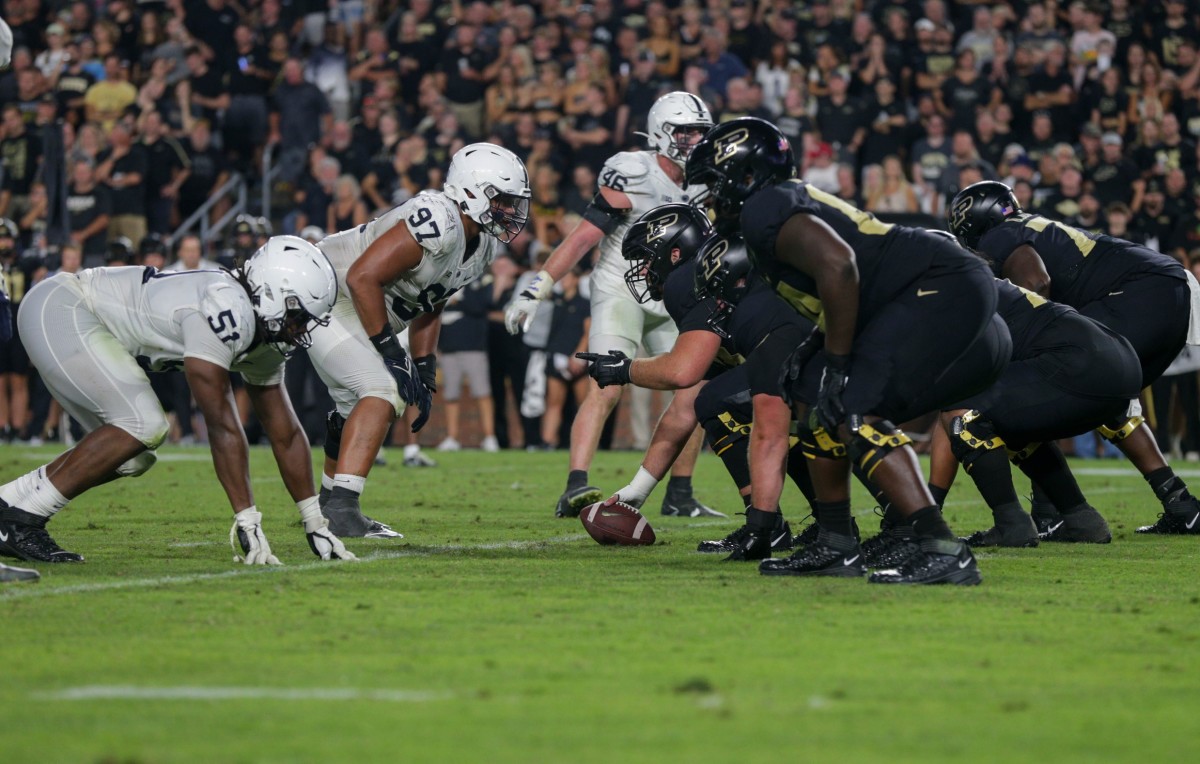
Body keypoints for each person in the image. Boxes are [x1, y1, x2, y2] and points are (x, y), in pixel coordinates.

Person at [685, 118, 1011, 585]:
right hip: (918, 287)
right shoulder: (775, 203)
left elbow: (839, 265)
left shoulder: (764, 209)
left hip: (935, 284)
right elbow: (835, 280)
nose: (711, 197)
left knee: (856, 405)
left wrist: (838, 362)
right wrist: (820, 348)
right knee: (810, 394)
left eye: (715, 185)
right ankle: (836, 543)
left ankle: (941, 546)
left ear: (746, 175)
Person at [0, 237, 353, 566]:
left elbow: (285, 433)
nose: (300, 328)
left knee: (135, 457)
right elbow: (222, 424)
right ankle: (22, 521)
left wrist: (314, 521)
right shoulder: (225, 308)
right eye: (298, 316)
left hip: (79, 319)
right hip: (65, 307)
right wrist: (247, 518)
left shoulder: (262, 332)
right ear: (274, 293)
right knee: (144, 424)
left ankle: (10, 502)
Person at [505, 91, 720, 520]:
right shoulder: (632, 172)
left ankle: (680, 493)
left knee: (693, 389)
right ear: (661, 132)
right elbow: (585, 236)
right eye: (685, 131)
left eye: (700, 130)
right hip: (621, 286)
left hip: (676, 293)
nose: (695, 139)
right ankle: (575, 485)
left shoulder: (710, 178)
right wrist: (540, 285)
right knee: (607, 383)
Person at [949, 180, 1200, 536]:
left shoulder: (1000, 236)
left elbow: (1036, 283)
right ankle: (1180, 504)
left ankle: (1050, 511)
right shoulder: (1029, 226)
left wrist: (1032, 336)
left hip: (1138, 292)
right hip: (1170, 290)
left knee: (1057, 380)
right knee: (1109, 398)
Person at [311, 142, 531, 538]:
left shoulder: (481, 245)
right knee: (381, 391)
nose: (511, 211)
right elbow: (362, 277)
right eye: (503, 200)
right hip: (330, 289)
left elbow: (432, 302)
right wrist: (392, 352)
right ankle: (343, 509)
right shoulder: (438, 218)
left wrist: (425, 369)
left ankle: (328, 503)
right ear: (471, 191)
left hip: (359, 304)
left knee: (353, 410)